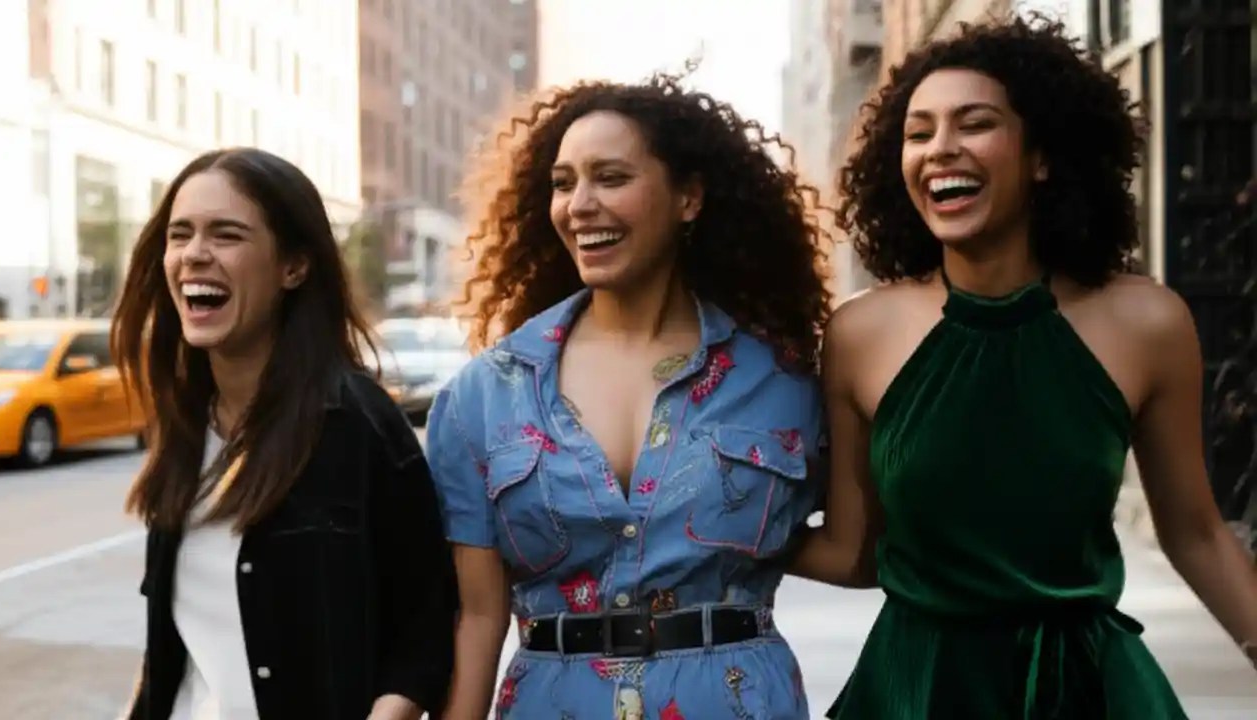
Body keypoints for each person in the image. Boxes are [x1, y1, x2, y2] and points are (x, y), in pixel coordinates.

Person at [791, 16, 1257, 719]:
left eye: (973, 124)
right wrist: (704, 535)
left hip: (1087, 691)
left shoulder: (1147, 324)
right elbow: (854, 552)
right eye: (919, 134)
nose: (940, 149)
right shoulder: (861, 332)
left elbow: (1195, 531)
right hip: (918, 690)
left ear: (1042, 156)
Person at [427, 72, 832, 719]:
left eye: (610, 178)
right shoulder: (484, 395)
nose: (579, 204)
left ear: (689, 198)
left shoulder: (785, 379)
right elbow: (479, 617)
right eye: (564, 184)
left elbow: (853, 550)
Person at [112, 147, 457, 720]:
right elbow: (169, 650)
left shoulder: (356, 422)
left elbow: (422, 635)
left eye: (226, 235)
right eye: (180, 235)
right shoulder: (184, 427)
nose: (195, 254)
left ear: (293, 266)